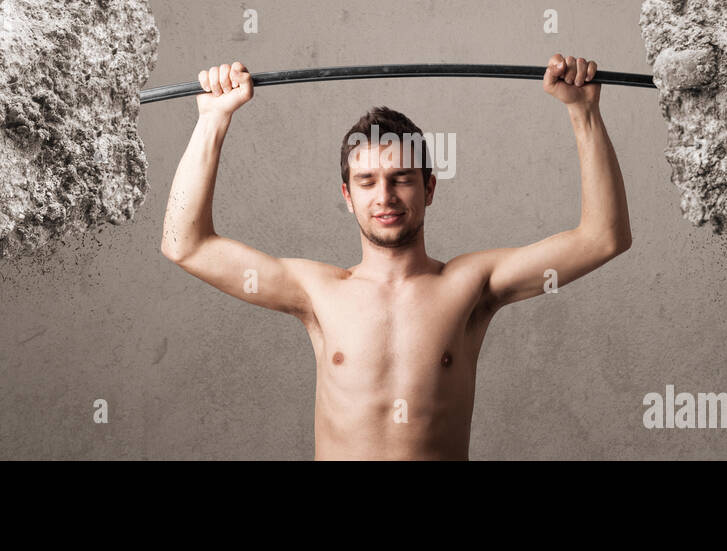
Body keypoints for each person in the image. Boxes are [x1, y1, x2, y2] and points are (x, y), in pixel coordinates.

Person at [160, 53, 632, 459]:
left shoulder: (470, 285)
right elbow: (186, 244)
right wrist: (213, 119)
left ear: (429, 187)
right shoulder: (316, 290)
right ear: (347, 195)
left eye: (401, 178)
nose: (383, 196)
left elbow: (603, 237)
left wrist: (583, 113)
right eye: (366, 182)